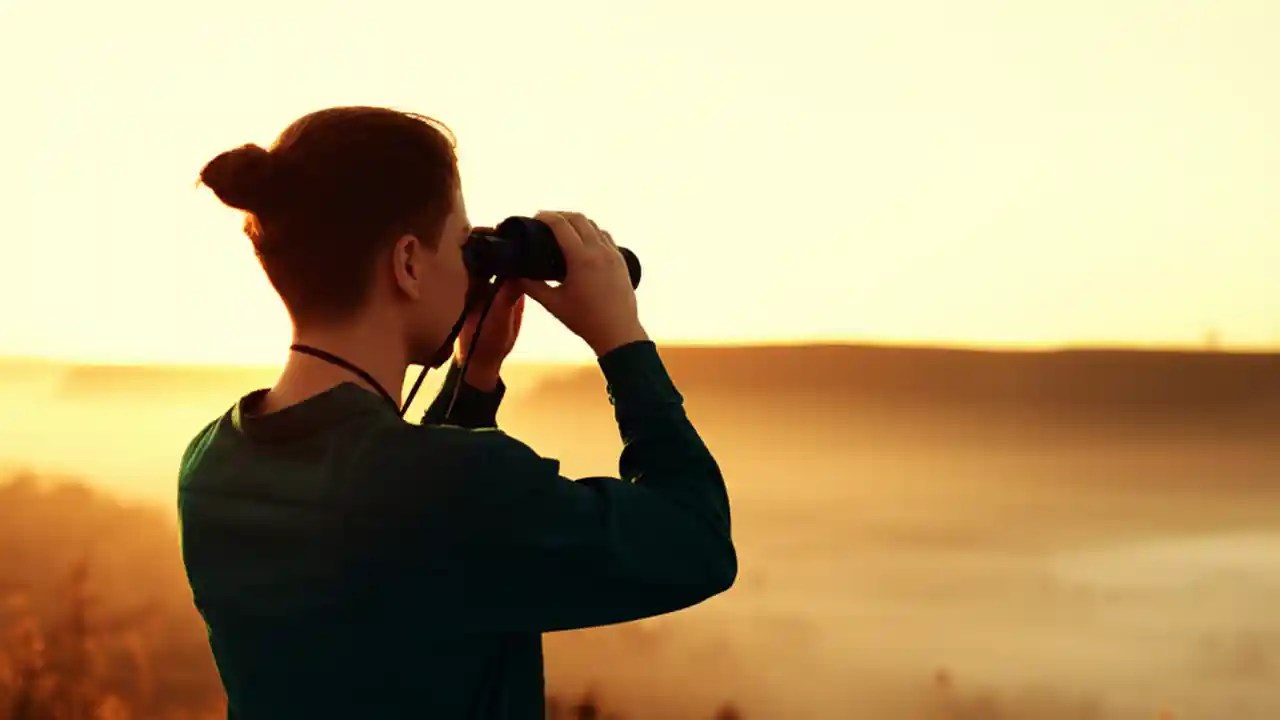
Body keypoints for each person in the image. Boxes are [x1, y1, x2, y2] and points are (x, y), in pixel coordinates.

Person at [176, 106, 736, 719]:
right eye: (464, 243)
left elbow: (411, 550)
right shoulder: (455, 485)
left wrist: (474, 376)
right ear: (408, 263)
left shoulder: (211, 463)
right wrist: (622, 342)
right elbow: (697, 543)